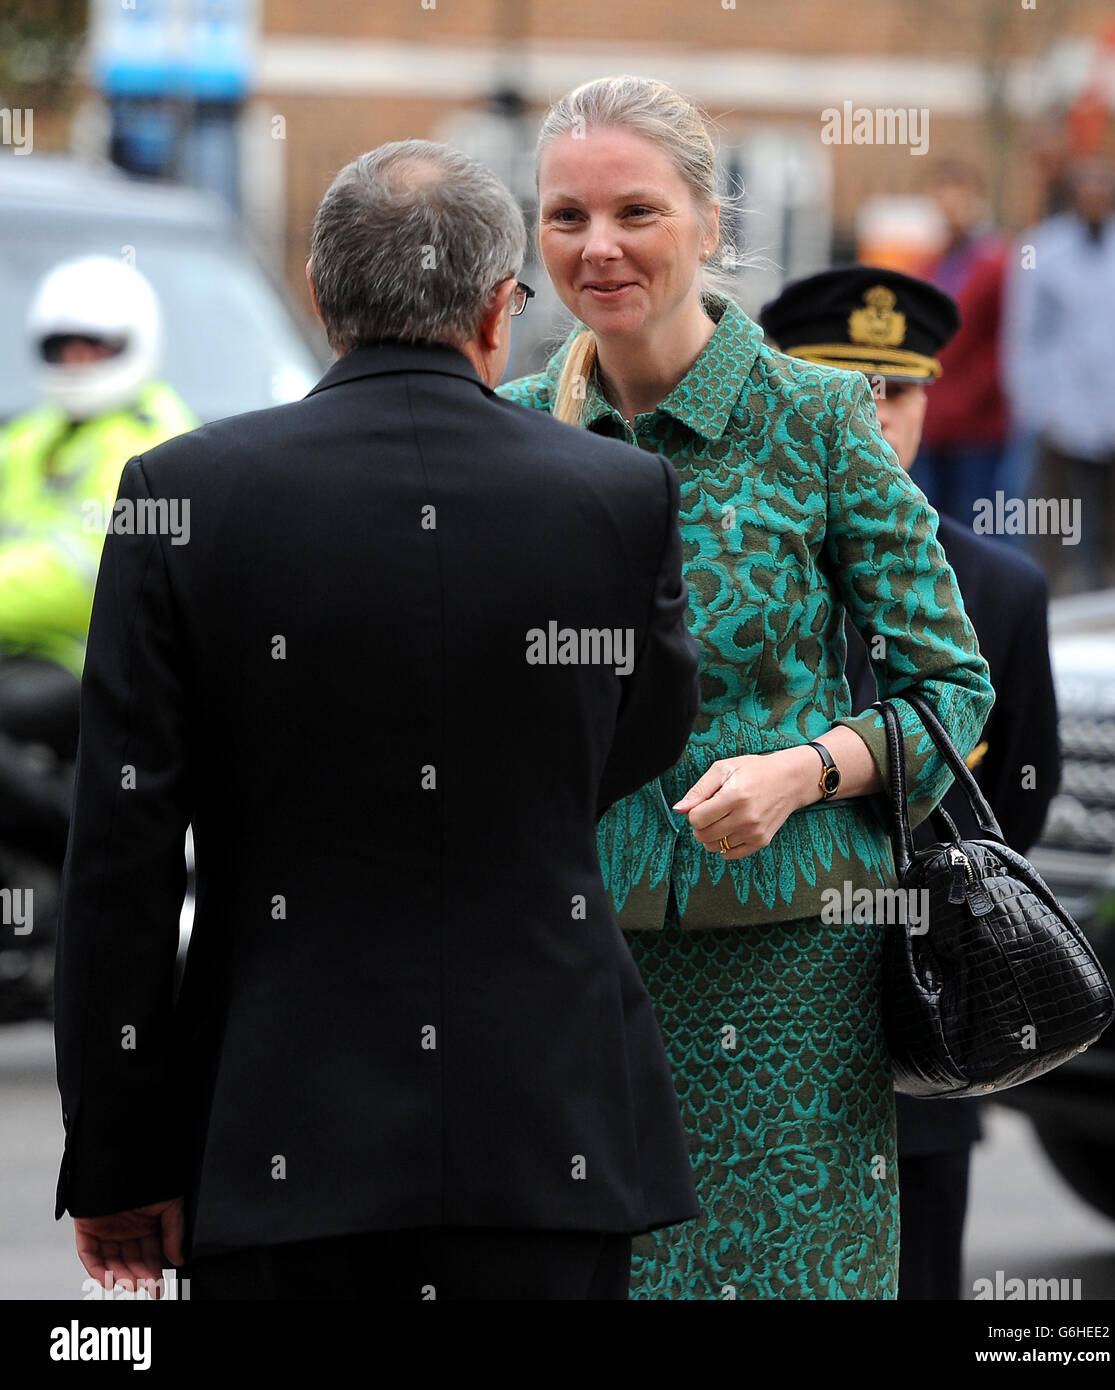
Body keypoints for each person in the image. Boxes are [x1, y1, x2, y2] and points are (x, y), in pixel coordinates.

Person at [53, 139, 703, 1301]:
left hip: (274, 1132)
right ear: (500, 311)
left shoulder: (180, 494)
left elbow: (121, 859)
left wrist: (115, 1156)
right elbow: (644, 734)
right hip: (544, 1125)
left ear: (319, 294)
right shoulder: (615, 494)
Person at [499, 75, 994, 1300]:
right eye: (564, 218)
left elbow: (951, 685)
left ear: (708, 222)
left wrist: (807, 768)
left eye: (634, 212)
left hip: (791, 982)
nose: (596, 248)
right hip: (565, 976)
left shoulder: (818, 419)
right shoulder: (509, 432)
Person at [762, 265, 1061, 1300]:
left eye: (897, 391)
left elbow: (1013, 800)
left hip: (919, 1013)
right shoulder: (729, 563)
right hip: (755, 992)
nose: (873, 414)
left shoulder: (996, 588)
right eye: (841, 386)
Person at [0, 259, 194, 861]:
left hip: (98, 663)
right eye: (64, 347)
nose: (78, 361)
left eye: (95, 345)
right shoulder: (30, 437)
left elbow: (87, 573)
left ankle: (95, 853)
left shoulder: (156, 439)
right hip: (20, 652)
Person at [1001, 159, 1115, 595]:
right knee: (1056, 531)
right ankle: (1057, 616)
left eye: (1103, 186)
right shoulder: (1040, 249)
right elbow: (1023, 334)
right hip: (1062, 416)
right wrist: (1034, 405)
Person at [909, 163, 1012, 529]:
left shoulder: (995, 265)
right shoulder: (928, 266)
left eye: (959, 201)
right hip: (932, 423)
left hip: (977, 428)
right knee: (931, 523)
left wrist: (968, 396)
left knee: (974, 525)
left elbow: (1004, 344)